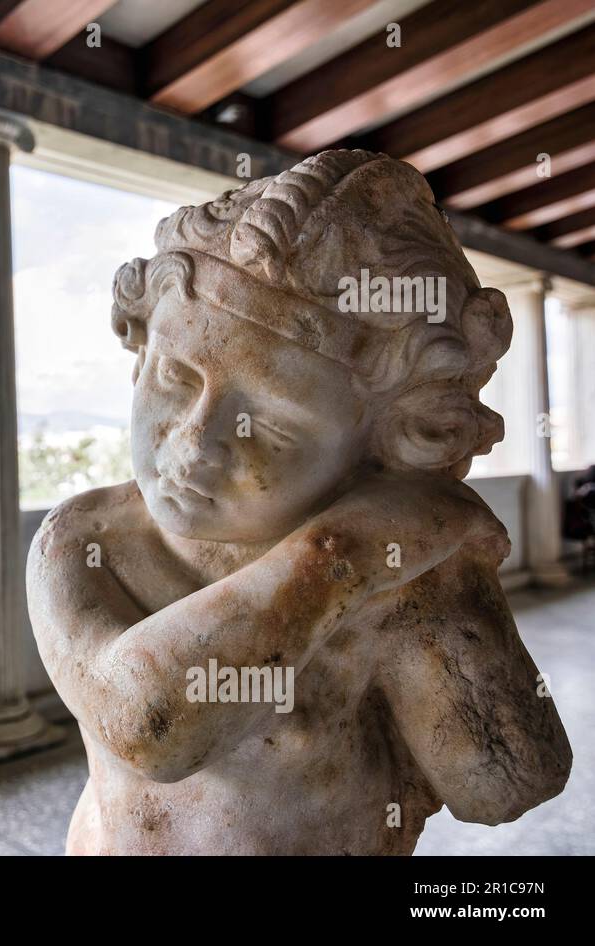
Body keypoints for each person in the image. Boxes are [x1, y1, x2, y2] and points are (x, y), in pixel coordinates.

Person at [28, 150, 572, 855]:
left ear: (380, 448)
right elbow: (146, 723)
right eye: (174, 375)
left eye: (275, 425)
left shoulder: (407, 574)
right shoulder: (86, 538)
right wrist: (345, 552)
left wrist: (449, 587)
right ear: (140, 348)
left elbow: (505, 782)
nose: (195, 445)